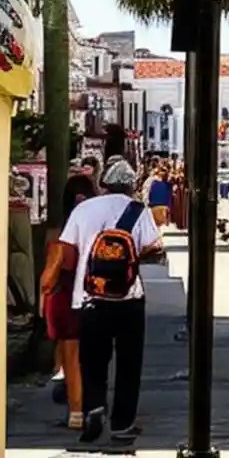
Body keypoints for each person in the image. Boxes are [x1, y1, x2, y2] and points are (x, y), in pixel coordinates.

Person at [57, 157, 163, 443]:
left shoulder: (83, 209)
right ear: (131, 186)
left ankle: (93, 408)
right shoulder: (139, 211)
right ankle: (122, 424)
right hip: (129, 297)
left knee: (92, 360)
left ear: (103, 184)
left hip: (90, 296)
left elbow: (66, 258)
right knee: (129, 363)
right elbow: (154, 249)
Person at [39, 173, 97, 429]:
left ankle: (75, 412)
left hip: (63, 298)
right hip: (94, 296)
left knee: (70, 356)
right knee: (92, 357)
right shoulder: (96, 231)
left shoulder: (58, 233)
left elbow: (49, 277)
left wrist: (43, 293)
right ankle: (93, 405)